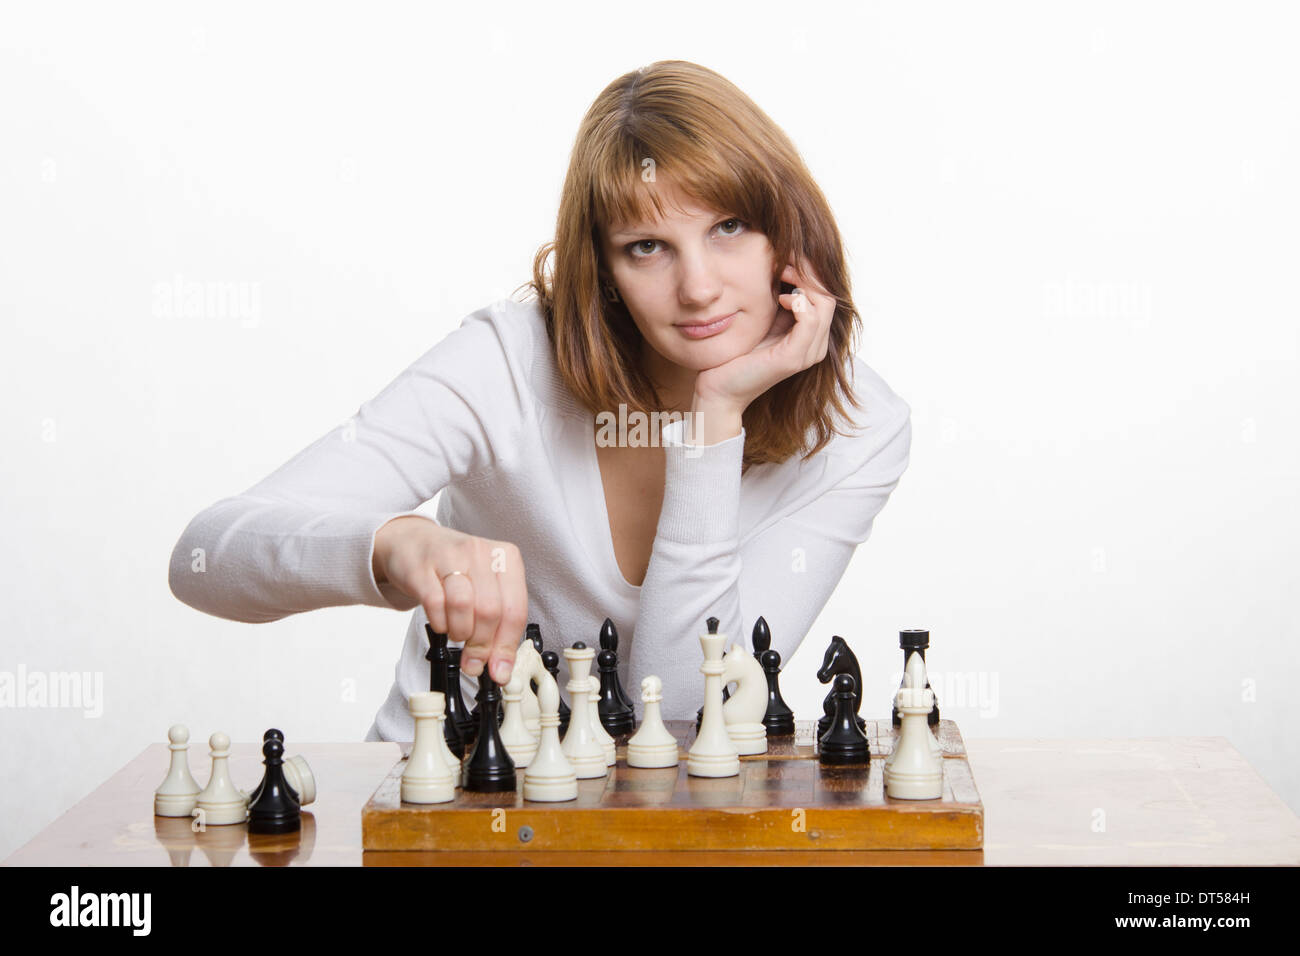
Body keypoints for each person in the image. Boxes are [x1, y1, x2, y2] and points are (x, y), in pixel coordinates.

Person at [168, 60, 913, 740]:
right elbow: (204, 558)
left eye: (729, 227)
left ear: (790, 232)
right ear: (604, 265)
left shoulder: (859, 429)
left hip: (659, 839)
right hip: (443, 810)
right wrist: (395, 545)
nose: (698, 287)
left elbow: (686, 711)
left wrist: (713, 419)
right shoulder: (511, 362)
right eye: (646, 246)